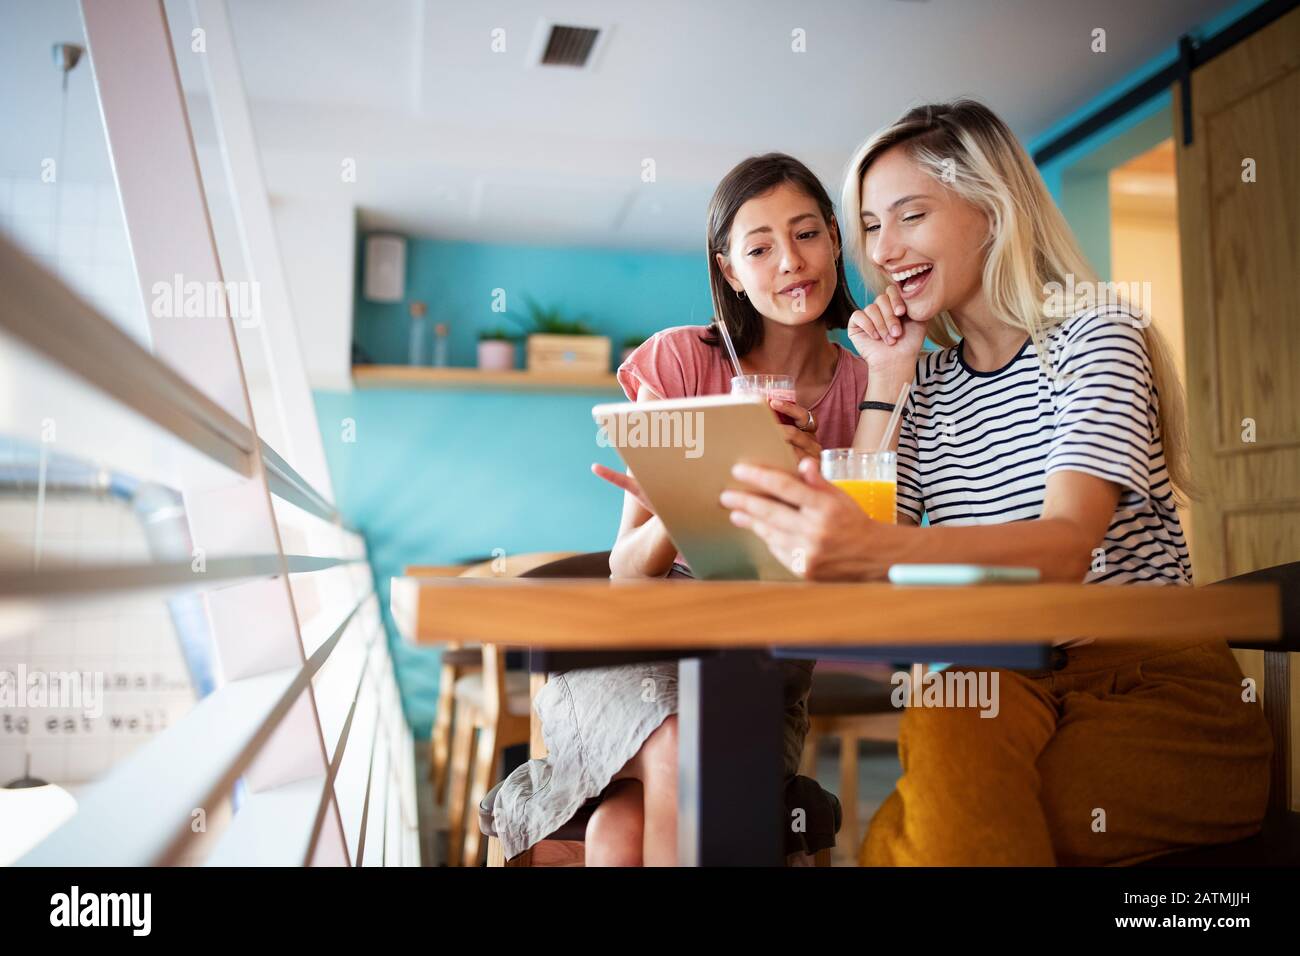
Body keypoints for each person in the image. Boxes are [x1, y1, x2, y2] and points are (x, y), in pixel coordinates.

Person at [719, 100, 1272, 865]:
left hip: (1146, 681)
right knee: (952, 760)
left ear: (993, 210)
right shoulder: (927, 383)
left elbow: (1063, 552)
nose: (883, 251)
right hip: (989, 680)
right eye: (872, 227)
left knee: (913, 844)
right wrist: (886, 378)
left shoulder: (1096, 334)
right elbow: (855, 577)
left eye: (909, 216)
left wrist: (871, 546)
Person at [490, 153, 870, 865]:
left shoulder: (868, 386)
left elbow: (855, 576)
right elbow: (629, 571)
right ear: (729, 270)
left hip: (760, 665)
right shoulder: (679, 363)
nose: (790, 261)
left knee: (620, 829)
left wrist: (800, 482)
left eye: (807, 233)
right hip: (632, 657)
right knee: (673, 740)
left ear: (835, 240)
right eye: (759, 247)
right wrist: (717, 467)